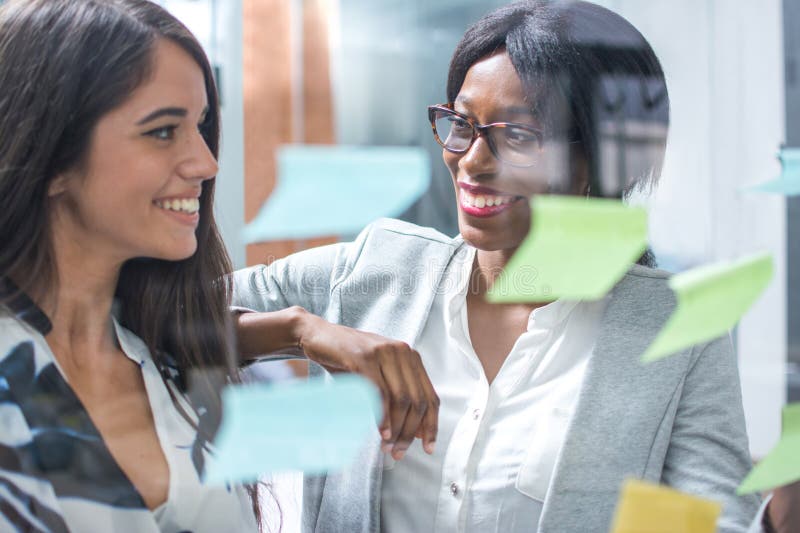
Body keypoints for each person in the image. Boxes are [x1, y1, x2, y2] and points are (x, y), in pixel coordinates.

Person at [233, 1, 788, 532]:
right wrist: (300, 331)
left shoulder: (677, 329)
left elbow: (716, 517)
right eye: (462, 123)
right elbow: (160, 317)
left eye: (519, 135)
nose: (471, 159)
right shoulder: (373, 270)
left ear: (598, 159)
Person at [0, 0, 259, 530]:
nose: (206, 164)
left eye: (201, 125)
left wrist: (300, 331)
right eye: (163, 131)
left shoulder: (169, 366)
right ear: (50, 159)